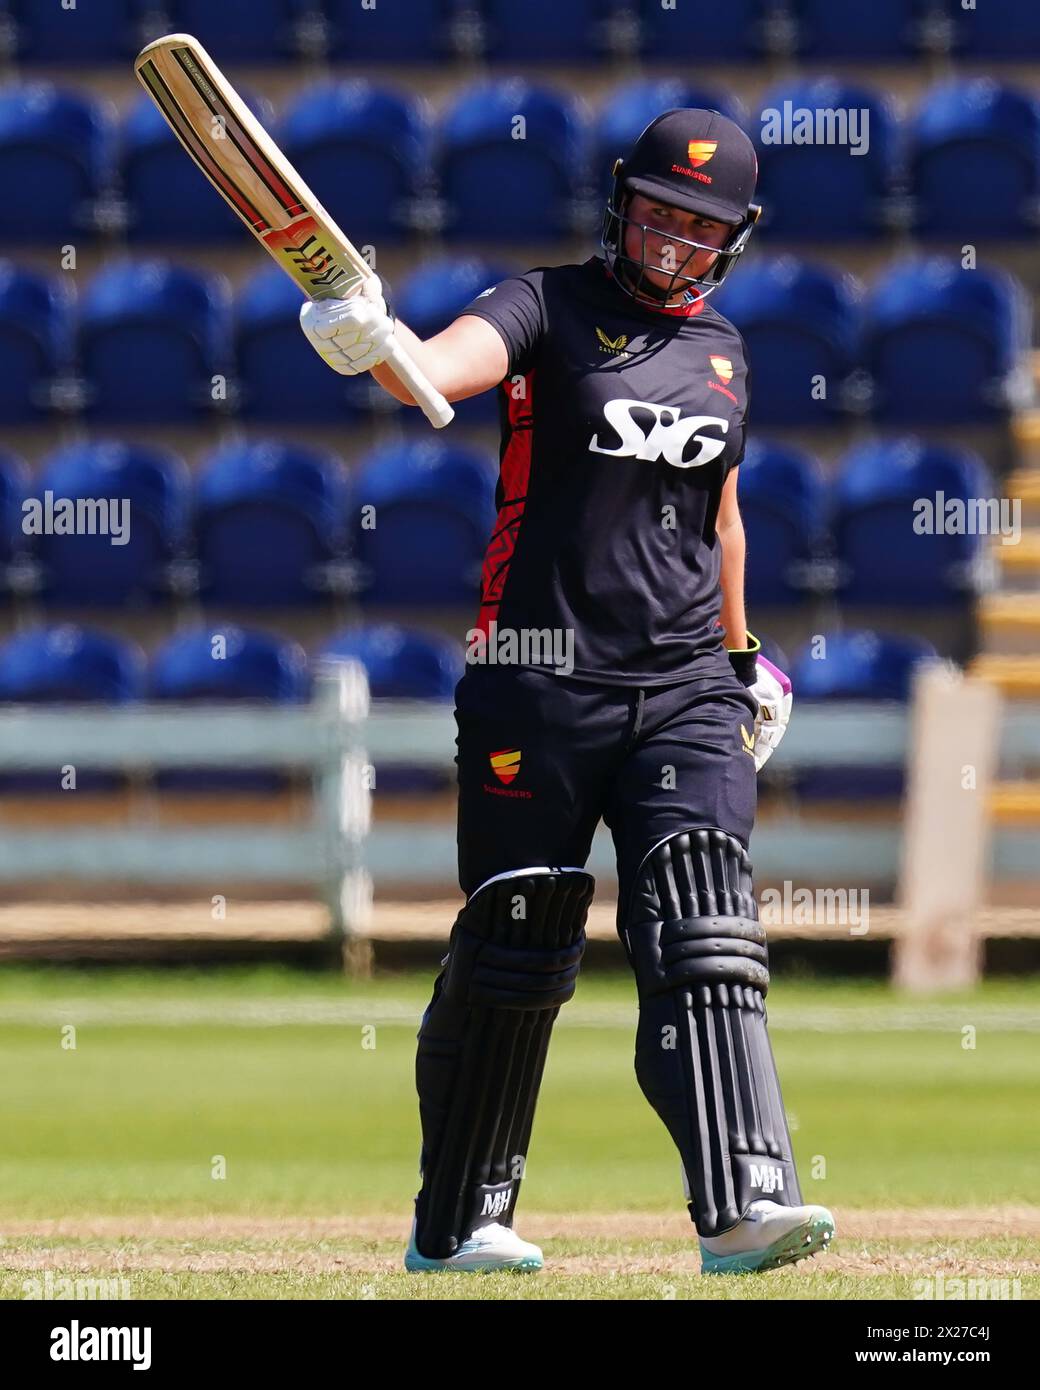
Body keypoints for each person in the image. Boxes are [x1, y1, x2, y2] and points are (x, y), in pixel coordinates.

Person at [301, 108, 835, 1276]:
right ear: (618, 204)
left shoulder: (728, 354)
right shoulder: (540, 306)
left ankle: (743, 1202)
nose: (671, 239)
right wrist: (372, 338)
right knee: (518, 944)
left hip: (687, 685)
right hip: (532, 685)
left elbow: (721, 516)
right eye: (655, 211)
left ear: (733, 238)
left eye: (700, 226)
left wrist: (743, 663)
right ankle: (458, 1222)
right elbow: (437, 372)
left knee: (702, 921)